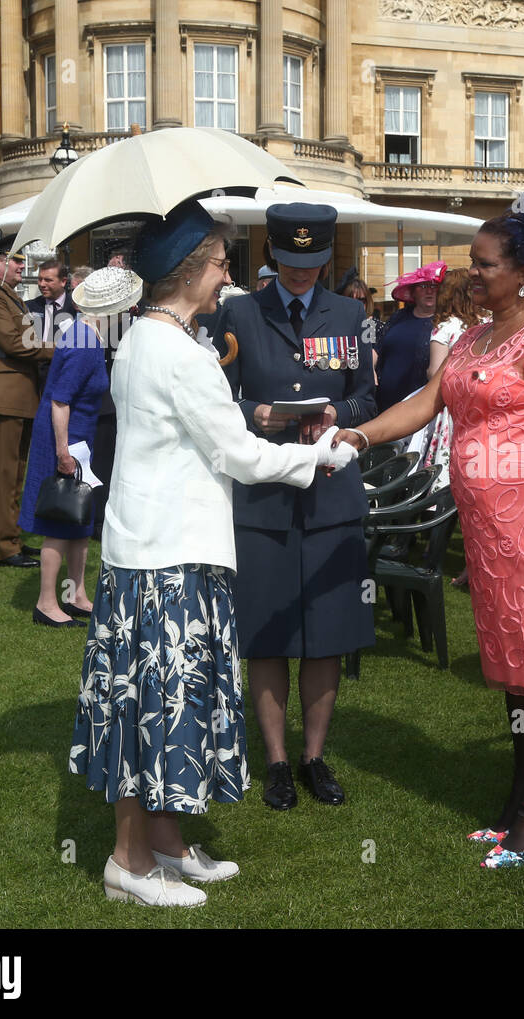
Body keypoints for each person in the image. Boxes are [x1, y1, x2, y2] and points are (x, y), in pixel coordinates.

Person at [69, 199, 355, 907]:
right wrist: (315, 455)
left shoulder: (149, 337)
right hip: (168, 556)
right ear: (192, 273)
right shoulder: (176, 351)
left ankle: (164, 842)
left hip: (152, 549)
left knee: (159, 702)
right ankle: (129, 863)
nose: (231, 273)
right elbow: (237, 453)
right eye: (224, 262)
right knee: (154, 710)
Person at [332, 183, 524, 869]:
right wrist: (358, 437)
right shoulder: (476, 336)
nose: (469, 273)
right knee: (514, 669)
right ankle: (520, 798)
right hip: (488, 534)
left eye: (483, 264)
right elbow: (426, 402)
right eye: (472, 262)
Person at [206, 203, 376, 811]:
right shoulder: (239, 312)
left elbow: (365, 397)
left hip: (330, 492)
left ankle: (315, 756)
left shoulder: (351, 314)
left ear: (327, 255)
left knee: (327, 633)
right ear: (271, 255)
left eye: (312, 261)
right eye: (289, 261)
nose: (301, 272)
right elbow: (216, 397)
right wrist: (256, 412)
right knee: (270, 631)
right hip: (264, 496)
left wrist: (338, 418)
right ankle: (276, 760)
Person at [18, 268, 122, 627]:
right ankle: (47, 603)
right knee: (59, 521)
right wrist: (63, 452)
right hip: (65, 441)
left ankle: (76, 595)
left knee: (78, 519)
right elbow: (59, 401)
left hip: (80, 441)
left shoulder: (86, 335)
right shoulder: (83, 340)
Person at [0, 234, 53, 568]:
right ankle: (4, 547)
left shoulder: (8, 297)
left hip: (18, 392)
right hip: (3, 394)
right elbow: (16, 344)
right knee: (4, 475)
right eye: (16, 260)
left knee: (16, 473)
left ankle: (12, 538)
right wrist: (61, 349)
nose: (22, 266)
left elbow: (25, 341)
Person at [419, 267, 481, 491]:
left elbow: (435, 372)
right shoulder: (484, 324)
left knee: (447, 466)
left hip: (452, 405)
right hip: (478, 403)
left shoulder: (445, 328)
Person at [375, 262, 445, 412]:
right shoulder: (399, 316)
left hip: (418, 408)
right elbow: (378, 347)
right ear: (413, 292)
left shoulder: (444, 323)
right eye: (423, 286)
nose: (429, 291)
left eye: (434, 286)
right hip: (385, 404)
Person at [26, 260, 78, 351]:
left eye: (48, 280)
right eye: (40, 279)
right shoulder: (28, 307)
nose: (42, 284)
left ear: (63, 281)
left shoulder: (76, 309)